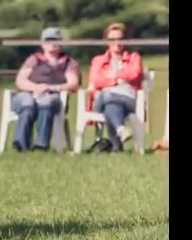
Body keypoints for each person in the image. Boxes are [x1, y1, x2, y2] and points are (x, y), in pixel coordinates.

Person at [11, 27, 80, 151]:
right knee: (27, 103)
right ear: (42, 44)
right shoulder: (34, 59)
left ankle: (41, 145)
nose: (52, 43)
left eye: (56, 40)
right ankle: (21, 144)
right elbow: (20, 80)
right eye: (48, 40)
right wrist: (36, 88)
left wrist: (51, 88)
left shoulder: (69, 62)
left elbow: (73, 84)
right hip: (28, 93)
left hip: (53, 95)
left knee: (47, 102)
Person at [88, 22, 145, 152]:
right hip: (102, 100)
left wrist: (108, 79)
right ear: (106, 41)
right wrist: (117, 80)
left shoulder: (134, 58)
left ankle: (117, 142)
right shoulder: (98, 60)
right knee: (108, 96)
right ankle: (120, 131)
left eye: (120, 39)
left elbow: (134, 73)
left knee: (110, 103)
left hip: (127, 99)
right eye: (112, 39)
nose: (117, 43)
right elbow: (95, 80)